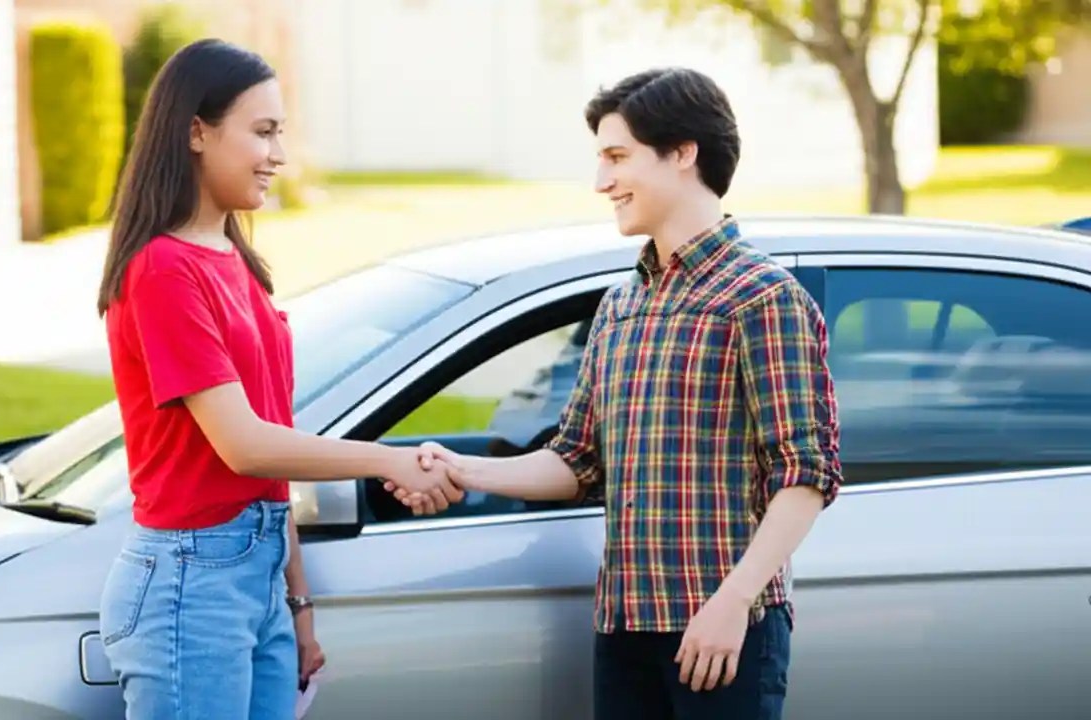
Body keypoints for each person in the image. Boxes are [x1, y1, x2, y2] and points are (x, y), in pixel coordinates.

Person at [404, 68, 843, 719]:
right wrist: (462, 468)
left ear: (683, 152)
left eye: (617, 157)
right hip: (624, 626)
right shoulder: (620, 306)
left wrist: (731, 605)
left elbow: (806, 475)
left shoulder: (763, 298)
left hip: (723, 629)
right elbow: (578, 461)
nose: (601, 182)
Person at [95, 39, 461, 720]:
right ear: (196, 132)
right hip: (190, 585)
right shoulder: (163, 270)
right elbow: (246, 446)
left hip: (255, 574)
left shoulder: (235, 258)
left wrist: (295, 600)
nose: (279, 155)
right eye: (262, 132)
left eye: (280, 133)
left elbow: (272, 448)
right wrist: (391, 461)